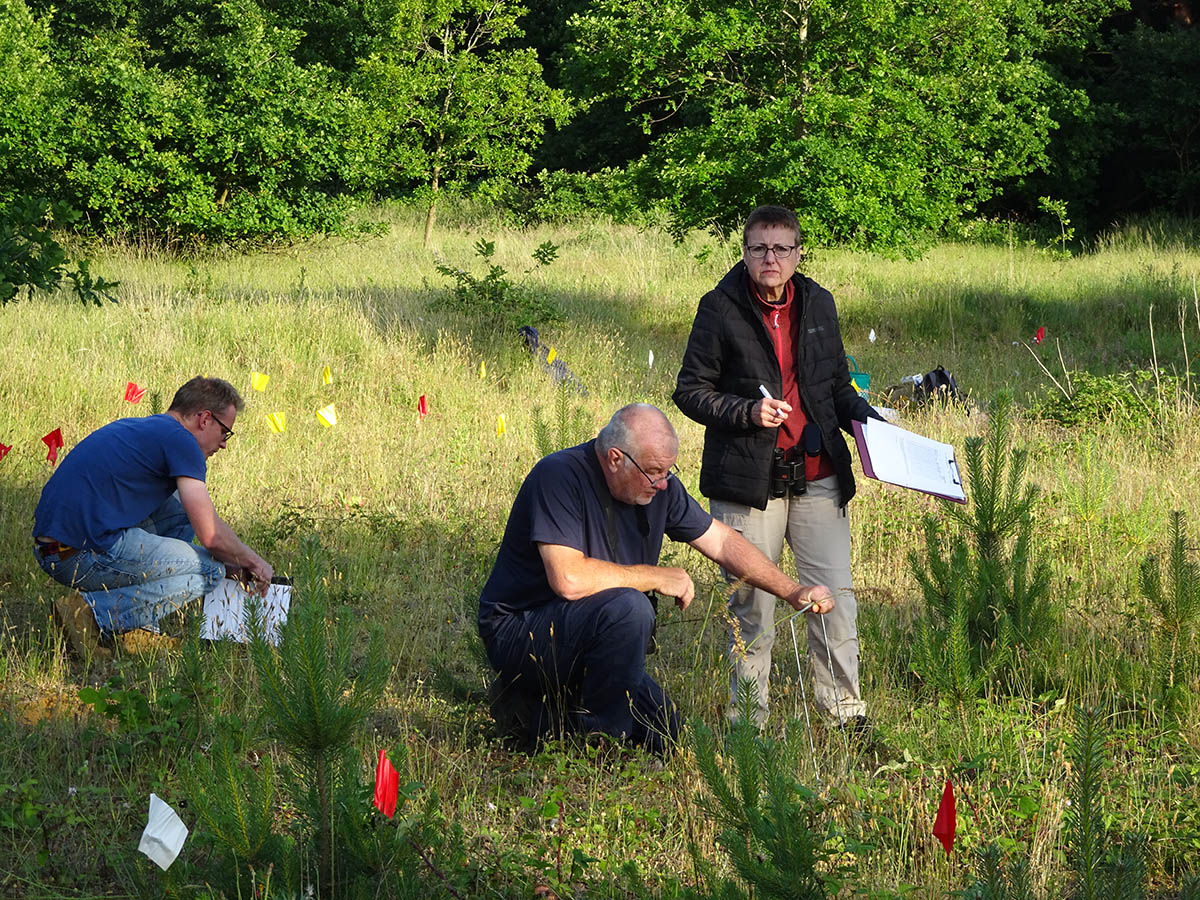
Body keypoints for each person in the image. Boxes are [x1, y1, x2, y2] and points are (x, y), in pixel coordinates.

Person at [477, 403, 835, 754]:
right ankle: (601, 747)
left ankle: (542, 711)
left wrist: (793, 591)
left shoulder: (659, 488)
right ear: (615, 458)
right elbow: (568, 578)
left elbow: (723, 542)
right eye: (654, 471)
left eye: (668, 471)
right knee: (629, 607)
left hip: (596, 639)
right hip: (522, 631)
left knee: (668, 734)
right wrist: (654, 577)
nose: (663, 484)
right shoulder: (558, 476)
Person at [673, 205, 882, 729]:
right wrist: (747, 411)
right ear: (744, 252)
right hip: (749, 481)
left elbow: (835, 386)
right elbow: (690, 391)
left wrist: (871, 422)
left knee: (834, 598)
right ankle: (749, 722)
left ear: (797, 253)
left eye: (781, 248)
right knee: (751, 607)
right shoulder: (719, 308)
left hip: (817, 476)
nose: (771, 258)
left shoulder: (819, 303)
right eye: (760, 248)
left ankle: (843, 713)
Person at [33, 376, 274, 655]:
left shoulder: (146, 427)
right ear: (205, 419)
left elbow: (201, 517)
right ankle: (88, 614)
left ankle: (140, 628)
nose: (223, 444)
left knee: (183, 510)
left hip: (56, 547)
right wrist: (251, 561)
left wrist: (232, 555)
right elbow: (210, 534)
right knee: (209, 570)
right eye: (225, 433)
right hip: (76, 555)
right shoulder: (182, 441)